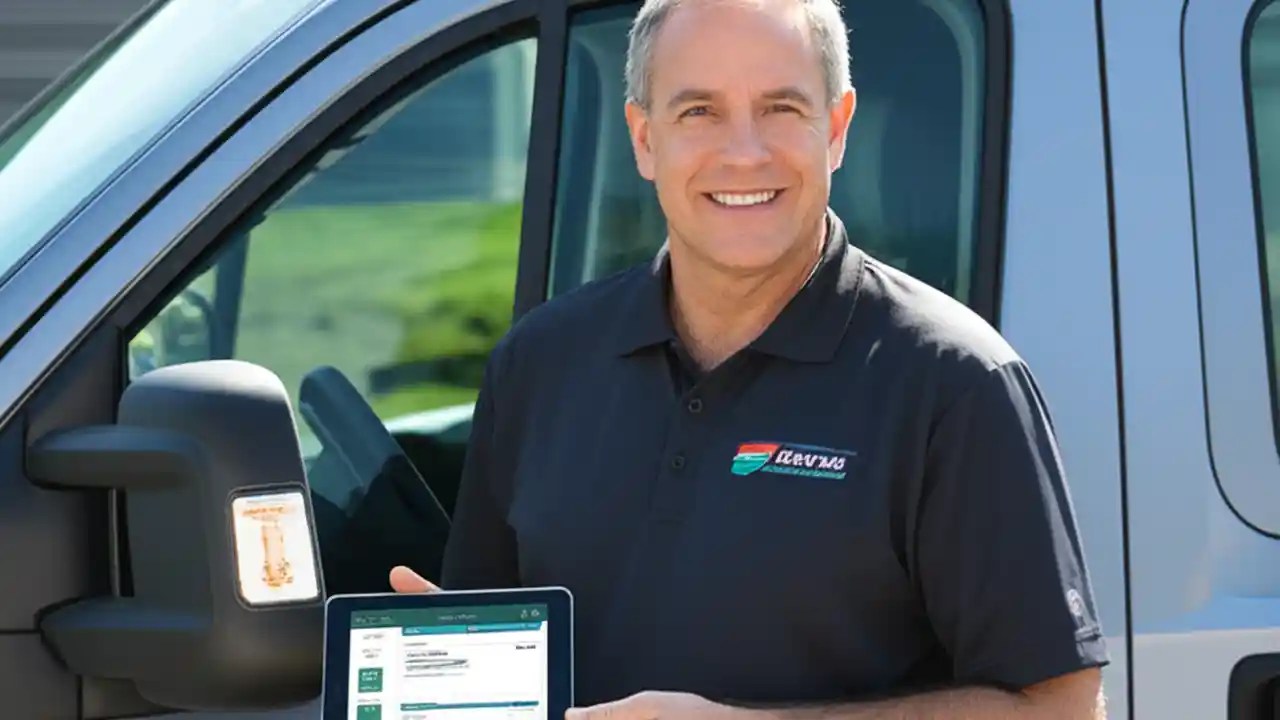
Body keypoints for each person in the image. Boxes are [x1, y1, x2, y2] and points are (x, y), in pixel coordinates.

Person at [390, 0, 1110, 716]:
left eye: (780, 108)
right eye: (699, 111)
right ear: (644, 139)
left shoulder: (956, 384)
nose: (744, 153)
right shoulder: (536, 367)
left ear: (835, 127)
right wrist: (452, 676)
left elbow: (1061, 709)